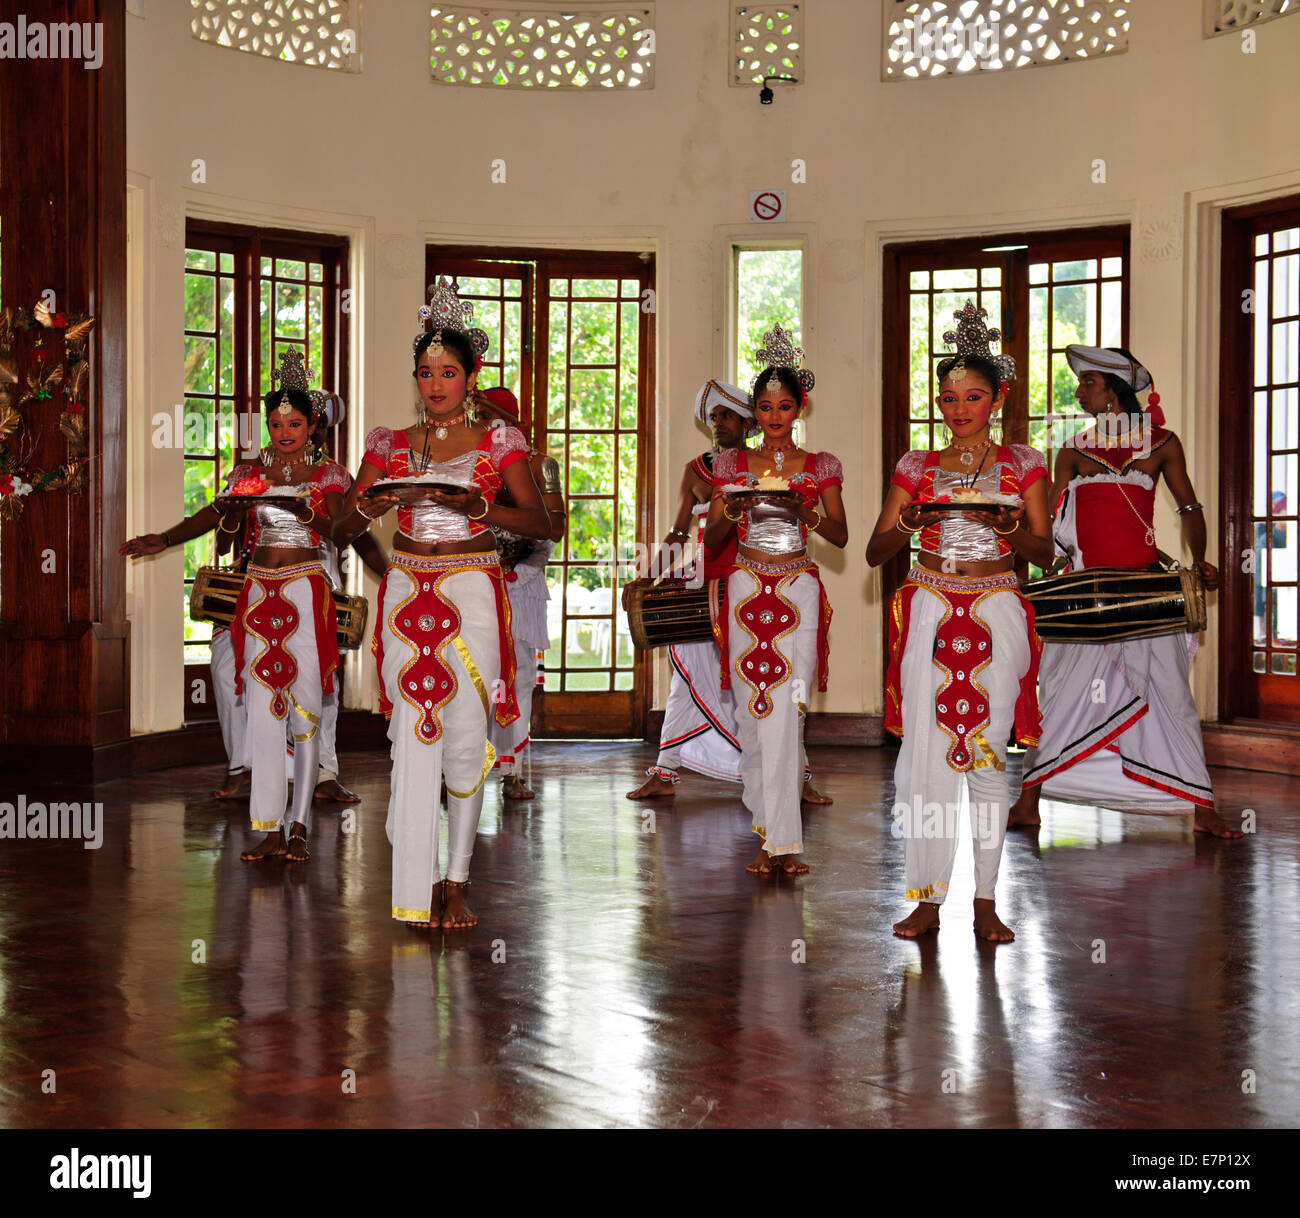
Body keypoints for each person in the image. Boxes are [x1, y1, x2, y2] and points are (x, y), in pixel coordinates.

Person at [334, 278, 549, 930]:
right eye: (425, 372)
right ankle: (419, 877)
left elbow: (542, 521)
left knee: (462, 729)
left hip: (474, 584)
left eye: (448, 372)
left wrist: (477, 505)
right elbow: (342, 527)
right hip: (406, 584)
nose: (434, 384)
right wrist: (368, 505)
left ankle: (456, 879)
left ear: (469, 376)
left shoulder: (500, 442)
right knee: (412, 727)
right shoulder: (386, 445)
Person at [866, 300, 1052, 942]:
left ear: (996, 397)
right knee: (925, 752)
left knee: (989, 753)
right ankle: (926, 896)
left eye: (973, 396)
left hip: (997, 606)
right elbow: (874, 550)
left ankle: (985, 897)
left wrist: (1010, 529)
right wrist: (910, 523)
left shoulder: (1024, 463)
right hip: (928, 606)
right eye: (948, 397)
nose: (959, 408)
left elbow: (1043, 551)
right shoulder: (915, 468)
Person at [122, 349, 349, 864]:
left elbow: (340, 530)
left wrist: (303, 507)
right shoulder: (251, 470)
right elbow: (216, 515)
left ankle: (300, 825)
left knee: (306, 705)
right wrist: (164, 537)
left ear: (313, 425)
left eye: (294, 423)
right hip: (259, 590)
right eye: (274, 423)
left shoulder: (329, 474)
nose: (284, 431)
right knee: (265, 707)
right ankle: (268, 825)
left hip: (305, 588)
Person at [1008, 345, 1242, 839]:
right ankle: (1028, 803)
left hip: (1145, 594)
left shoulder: (1162, 443)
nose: (1079, 391)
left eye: (1089, 382)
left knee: (1172, 696)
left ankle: (1202, 807)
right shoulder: (1071, 450)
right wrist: (1019, 553)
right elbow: (1047, 528)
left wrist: (1198, 561)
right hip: (1085, 594)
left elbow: (1189, 508)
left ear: (1115, 389)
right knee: (1059, 694)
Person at [701, 326, 848, 876]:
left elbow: (839, 534)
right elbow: (715, 539)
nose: (774, 416)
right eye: (764, 407)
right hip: (744, 587)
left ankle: (784, 842)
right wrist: (736, 510)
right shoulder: (730, 467)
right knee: (751, 706)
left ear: (799, 407)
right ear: (754, 411)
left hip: (799, 587)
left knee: (789, 705)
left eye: (785, 406)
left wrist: (799, 509)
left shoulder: (820, 465)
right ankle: (766, 823)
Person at [625, 379, 751, 799]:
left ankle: (795, 777)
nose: (719, 423)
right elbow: (679, 532)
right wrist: (649, 575)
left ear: (748, 422)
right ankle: (664, 772)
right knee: (686, 679)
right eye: (713, 417)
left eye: (727, 416)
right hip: (701, 585)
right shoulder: (697, 470)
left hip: (752, 585)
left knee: (760, 679)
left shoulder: (764, 467)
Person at [471, 386, 566, 801]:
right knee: (470, 675)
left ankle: (514, 773)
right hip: (474, 580)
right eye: (480, 417)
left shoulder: (539, 464)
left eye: (493, 418)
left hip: (522, 585)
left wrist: (517, 558)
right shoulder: (469, 461)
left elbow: (555, 527)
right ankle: (457, 771)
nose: (487, 426)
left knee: (519, 678)